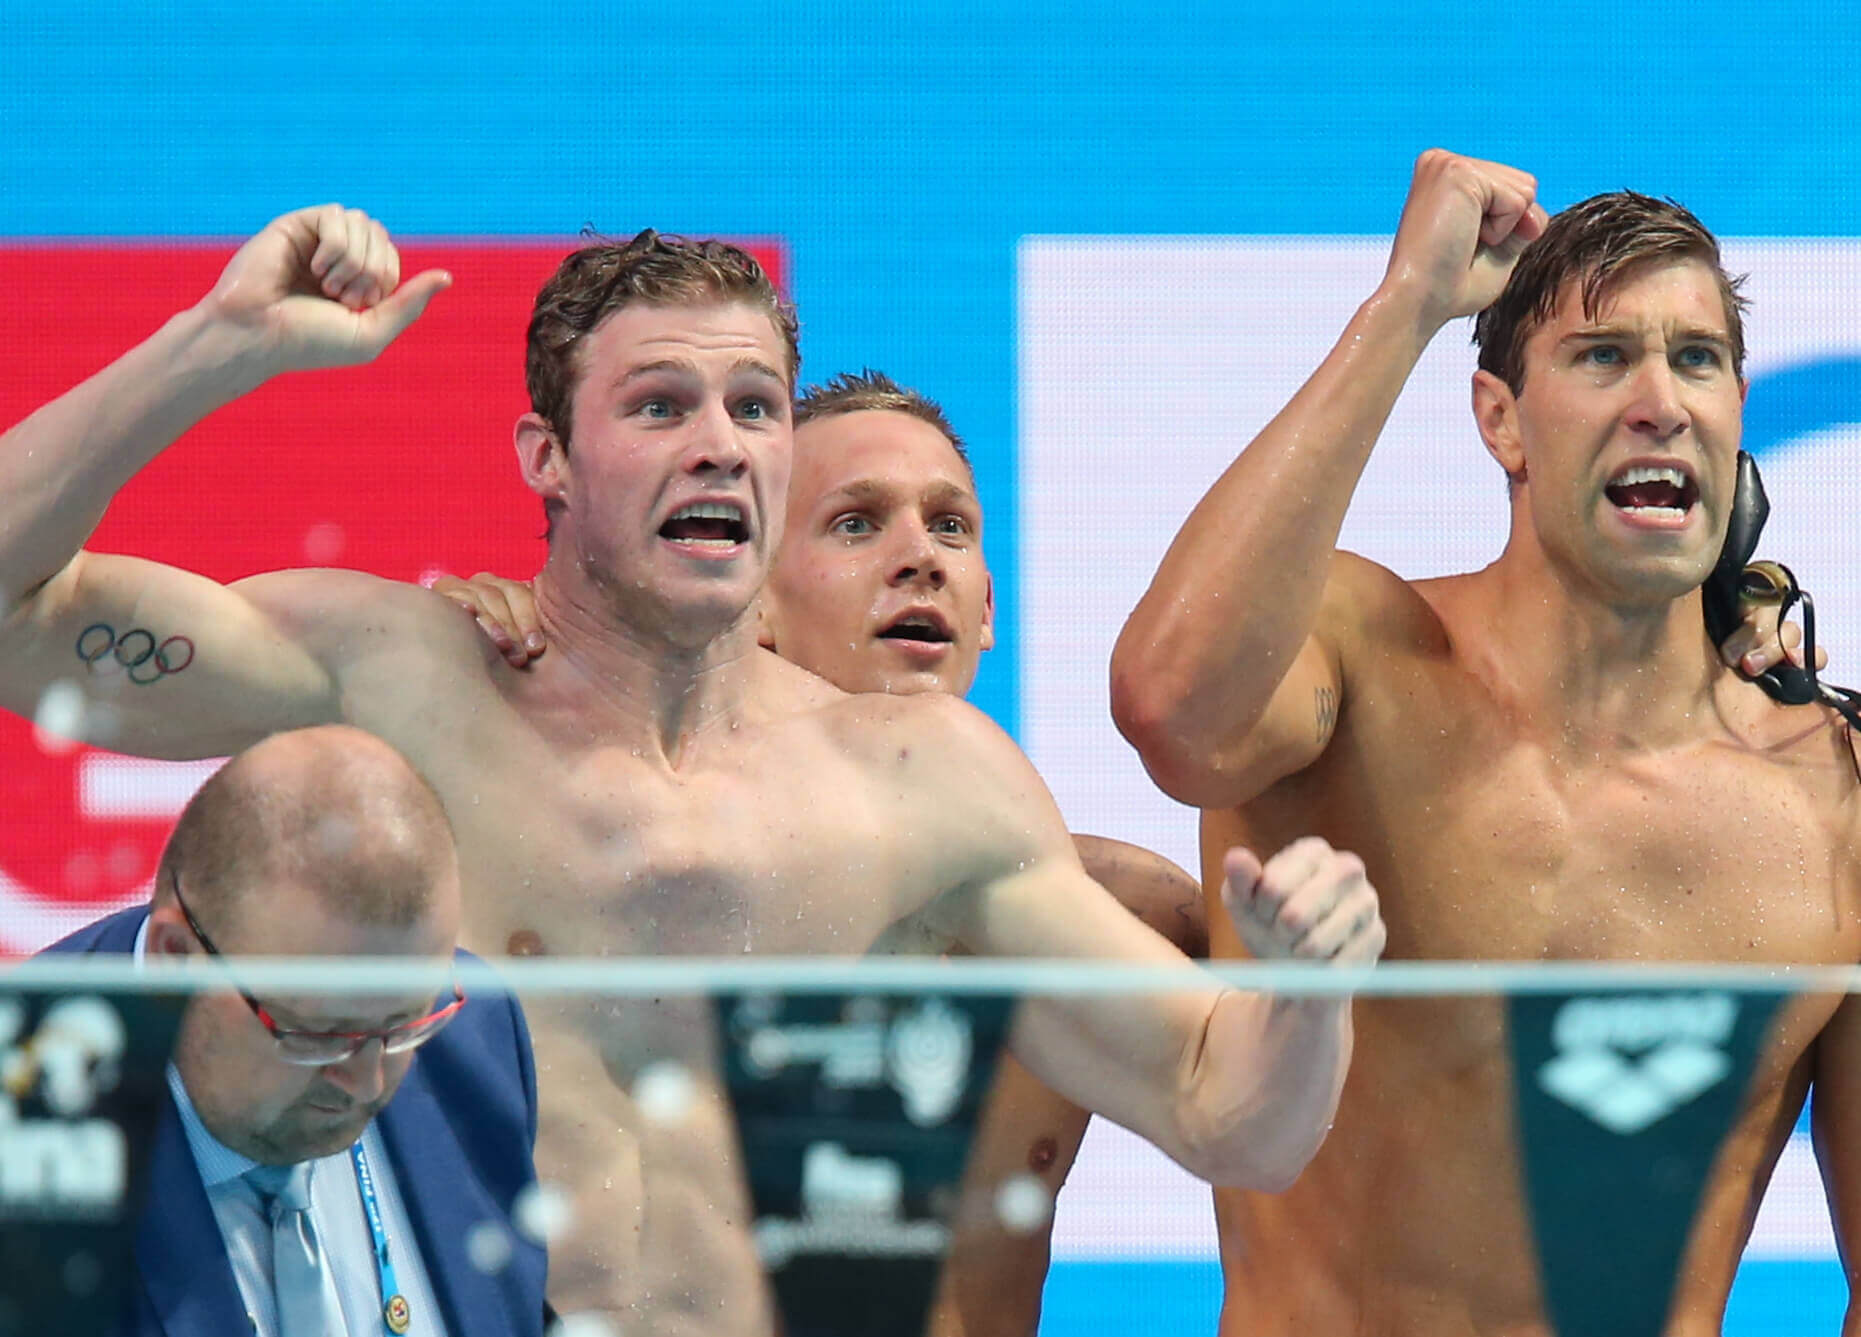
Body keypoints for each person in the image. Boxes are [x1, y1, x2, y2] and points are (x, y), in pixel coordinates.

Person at [0, 205, 1383, 1331]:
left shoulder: (919, 780)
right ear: (546, 456)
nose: (719, 440)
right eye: (659, 406)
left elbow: (1226, 1111)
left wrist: (1304, 995)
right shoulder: (391, 678)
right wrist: (211, 346)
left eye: (754, 407)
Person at [1109, 149, 1861, 1335]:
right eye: (1602, 355)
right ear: (1499, 419)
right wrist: (1404, 305)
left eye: (1698, 359)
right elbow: (1170, 706)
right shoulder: (1360, 661)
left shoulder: (1835, 797)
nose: (1660, 398)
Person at [440, 367, 1207, 1337]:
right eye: (855, 523)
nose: (918, 557)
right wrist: (473, 674)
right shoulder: (611, 894)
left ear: (986, 610)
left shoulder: (1121, 916)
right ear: (743, 597)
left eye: (950, 527)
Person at [41, 724, 547, 1337]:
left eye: (403, 1027)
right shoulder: (27, 1136)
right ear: (178, 961)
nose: (365, 1083)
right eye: (318, 1035)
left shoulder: (476, 1039)